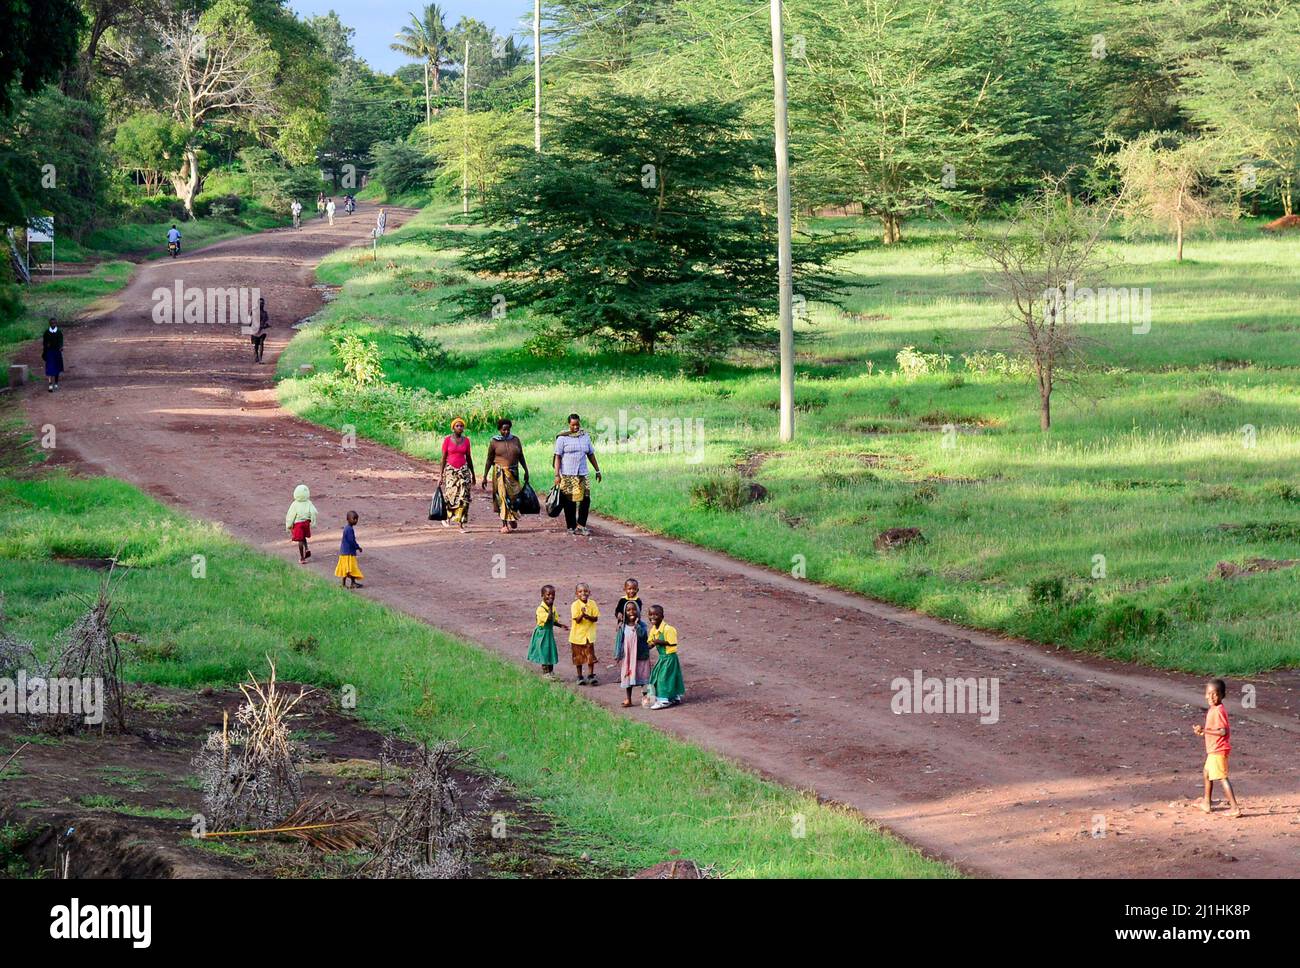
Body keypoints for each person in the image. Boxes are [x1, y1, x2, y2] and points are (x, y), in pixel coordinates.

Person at [1193, 678, 1242, 818]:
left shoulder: (1218, 711)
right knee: (1207, 773)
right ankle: (1206, 802)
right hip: (1214, 749)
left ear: (1222, 696)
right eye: (1209, 694)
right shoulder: (1214, 709)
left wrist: (1205, 731)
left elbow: (1223, 731)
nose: (1211, 697)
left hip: (1218, 749)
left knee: (1222, 777)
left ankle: (1235, 808)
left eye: (1215, 694)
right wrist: (1203, 731)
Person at [552, 413, 601, 536]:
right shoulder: (562, 438)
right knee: (570, 501)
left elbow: (590, 454)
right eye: (573, 425)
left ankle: (581, 525)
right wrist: (557, 475)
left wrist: (597, 470)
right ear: (569, 424)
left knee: (585, 500)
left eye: (577, 424)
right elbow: (557, 457)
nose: (576, 427)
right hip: (568, 474)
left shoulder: (585, 437)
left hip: (582, 473)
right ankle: (571, 527)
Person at [482, 418, 529, 534]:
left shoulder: (515, 440)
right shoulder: (494, 442)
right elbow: (489, 460)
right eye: (504, 430)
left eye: (508, 429)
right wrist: (484, 476)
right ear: (499, 430)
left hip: (513, 473)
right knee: (502, 497)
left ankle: (512, 516)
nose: (506, 432)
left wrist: (526, 470)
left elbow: (521, 456)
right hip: (500, 473)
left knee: (514, 497)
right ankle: (504, 524)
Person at [438, 417, 475, 531]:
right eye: (457, 426)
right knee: (450, 495)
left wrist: (472, 474)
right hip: (451, 471)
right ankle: (447, 517)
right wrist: (441, 475)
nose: (459, 428)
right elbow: (443, 458)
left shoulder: (466, 441)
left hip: (464, 471)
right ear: (453, 427)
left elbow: (468, 458)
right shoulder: (447, 440)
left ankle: (461, 524)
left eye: (461, 426)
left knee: (464, 497)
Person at [646, 605, 685, 709]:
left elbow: (672, 643)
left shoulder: (668, 629)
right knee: (661, 676)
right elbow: (650, 644)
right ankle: (673, 697)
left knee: (664, 678)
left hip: (670, 657)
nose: (653, 617)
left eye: (656, 615)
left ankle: (663, 700)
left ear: (662, 616)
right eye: (650, 615)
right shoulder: (653, 630)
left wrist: (659, 641)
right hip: (662, 657)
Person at [614, 600, 650, 708]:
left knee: (644, 678)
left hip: (640, 656)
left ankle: (645, 699)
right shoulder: (623, 626)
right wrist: (618, 654)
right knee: (628, 678)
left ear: (638, 612)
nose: (631, 612)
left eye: (634, 609)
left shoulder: (642, 625)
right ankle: (628, 699)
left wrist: (637, 626)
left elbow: (644, 636)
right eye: (628, 610)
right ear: (624, 612)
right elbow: (619, 641)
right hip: (628, 657)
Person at [528, 585, 566, 679]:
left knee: (550, 651)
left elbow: (552, 621)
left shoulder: (552, 608)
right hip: (542, 634)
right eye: (548, 594)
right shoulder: (541, 608)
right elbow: (548, 618)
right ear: (542, 595)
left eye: (553, 595)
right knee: (544, 652)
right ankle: (545, 673)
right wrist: (550, 606)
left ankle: (551, 672)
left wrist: (561, 625)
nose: (551, 597)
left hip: (549, 633)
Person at [569, 583, 600, 686]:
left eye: (585, 591)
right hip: (577, 637)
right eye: (580, 591)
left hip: (589, 636)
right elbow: (577, 620)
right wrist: (582, 614)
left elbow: (595, 618)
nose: (583, 593)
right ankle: (579, 676)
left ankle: (591, 675)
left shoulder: (592, 604)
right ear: (576, 594)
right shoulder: (575, 605)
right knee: (578, 658)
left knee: (590, 657)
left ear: (589, 593)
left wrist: (588, 616)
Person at [285, 484, 318, 563]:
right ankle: (307, 549)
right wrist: (313, 521)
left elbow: (290, 515)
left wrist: (289, 526)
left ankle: (302, 558)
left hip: (298, 524)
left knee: (300, 540)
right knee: (303, 537)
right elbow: (314, 512)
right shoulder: (309, 503)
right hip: (306, 523)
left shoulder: (295, 504)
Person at [335, 510, 364, 589]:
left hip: (345, 552)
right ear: (348, 519)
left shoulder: (347, 528)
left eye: (356, 519)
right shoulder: (349, 529)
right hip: (348, 553)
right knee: (351, 568)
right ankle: (352, 583)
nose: (355, 520)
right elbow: (352, 541)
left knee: (346, 568)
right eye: (354, 519)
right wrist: (358, 547)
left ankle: (345, 584)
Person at [41, 318, 64, 392]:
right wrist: (46, 347)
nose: (53, 324)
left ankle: (56, 383)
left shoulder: (59, 332)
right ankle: (50, 384)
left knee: (57, 367)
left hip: (57, 352)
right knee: (49, 368)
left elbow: (61, 341)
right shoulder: (47, 332)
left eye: (54, 323)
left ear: (56, 323)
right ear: (49, 324)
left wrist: (61, 347)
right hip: (49, 352)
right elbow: (44, 342)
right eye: (51, 323)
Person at [250, 297, 270, 363]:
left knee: (261, 343)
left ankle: (260, 358)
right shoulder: (253, 312)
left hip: (262, 331)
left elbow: (267, 321)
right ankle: (256, 356)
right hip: (255, 330)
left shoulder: (265, 313)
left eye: (263, 303)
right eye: (260, 303)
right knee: (256, 344)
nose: (262, 304)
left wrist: (266, 325)